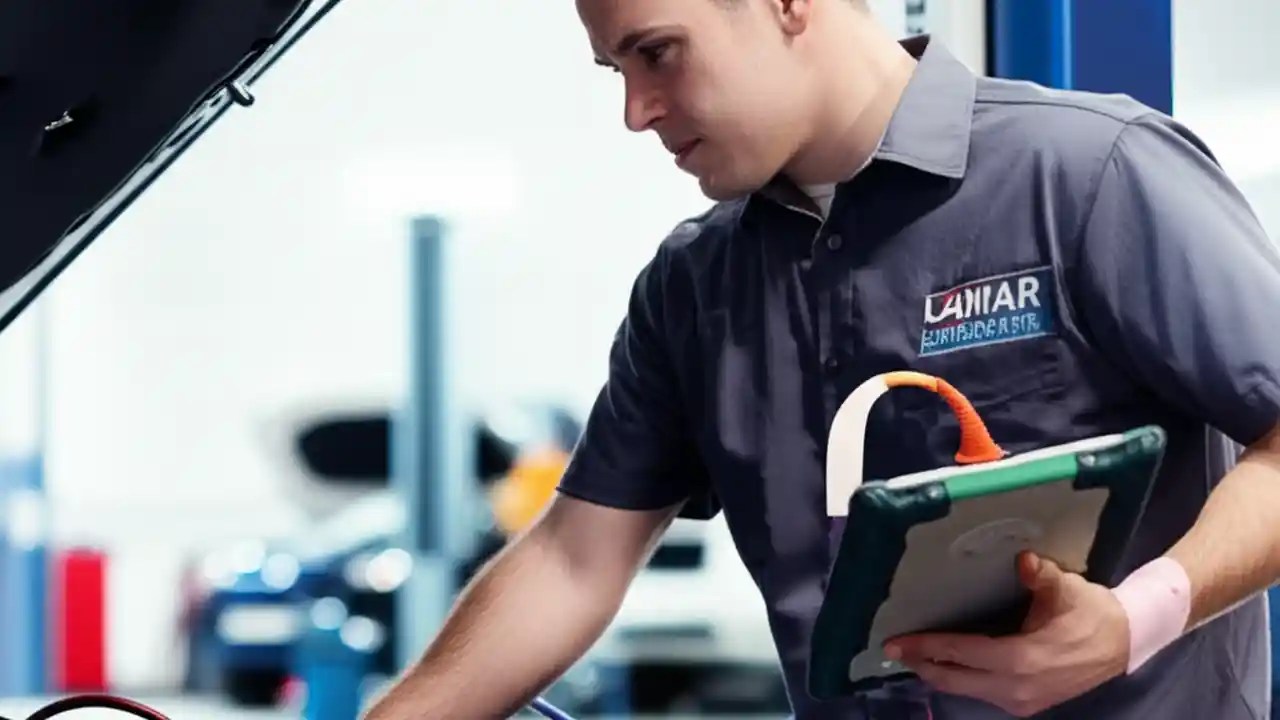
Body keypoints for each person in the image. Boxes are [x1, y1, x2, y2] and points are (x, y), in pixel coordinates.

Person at [364, 1, 1280, 718]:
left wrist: (1134, 622)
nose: (636, 113)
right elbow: (572, 561)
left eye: (656, 53)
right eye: (615, 69)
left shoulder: (1087, 176)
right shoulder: (695, 286)